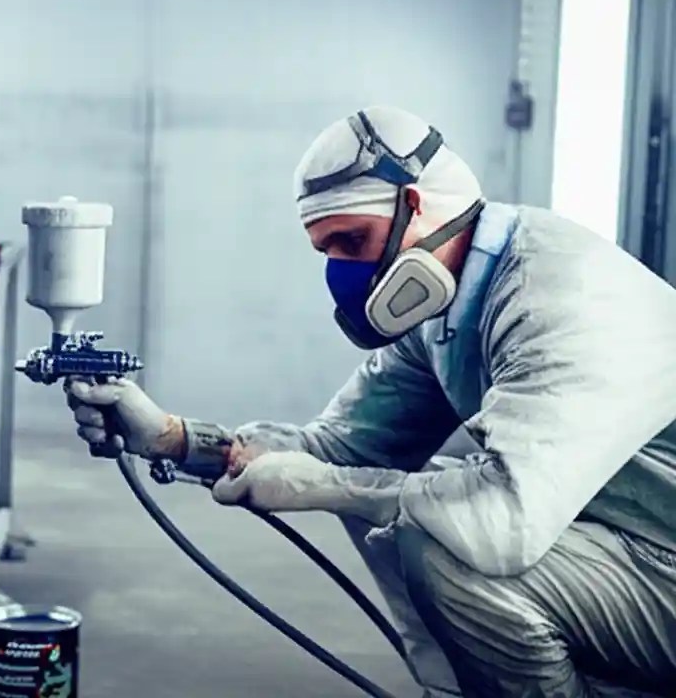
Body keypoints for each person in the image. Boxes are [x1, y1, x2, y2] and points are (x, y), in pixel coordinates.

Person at [65, 105, 676, 697]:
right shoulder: (448, 303)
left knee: (446, 537)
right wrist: (173, 438)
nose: (341, 273)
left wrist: (330, 486)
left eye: (351, 241)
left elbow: (502, 523)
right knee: (415, 494)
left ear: (414, 207)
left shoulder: (556, 297)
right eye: (325, 251)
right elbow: (341, 446)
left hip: (660, 563)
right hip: (608, 545)